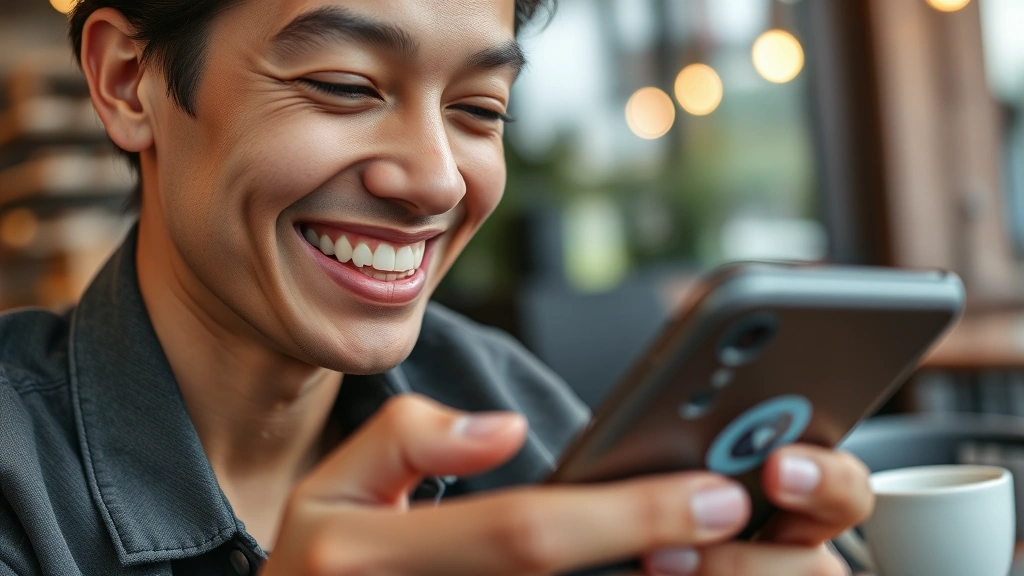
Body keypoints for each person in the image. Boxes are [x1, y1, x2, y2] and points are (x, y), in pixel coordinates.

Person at [0, 0, 872, 574]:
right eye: (345, 86)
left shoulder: (505, 401)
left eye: (479, 110)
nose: (439, 181)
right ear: (128, 81)